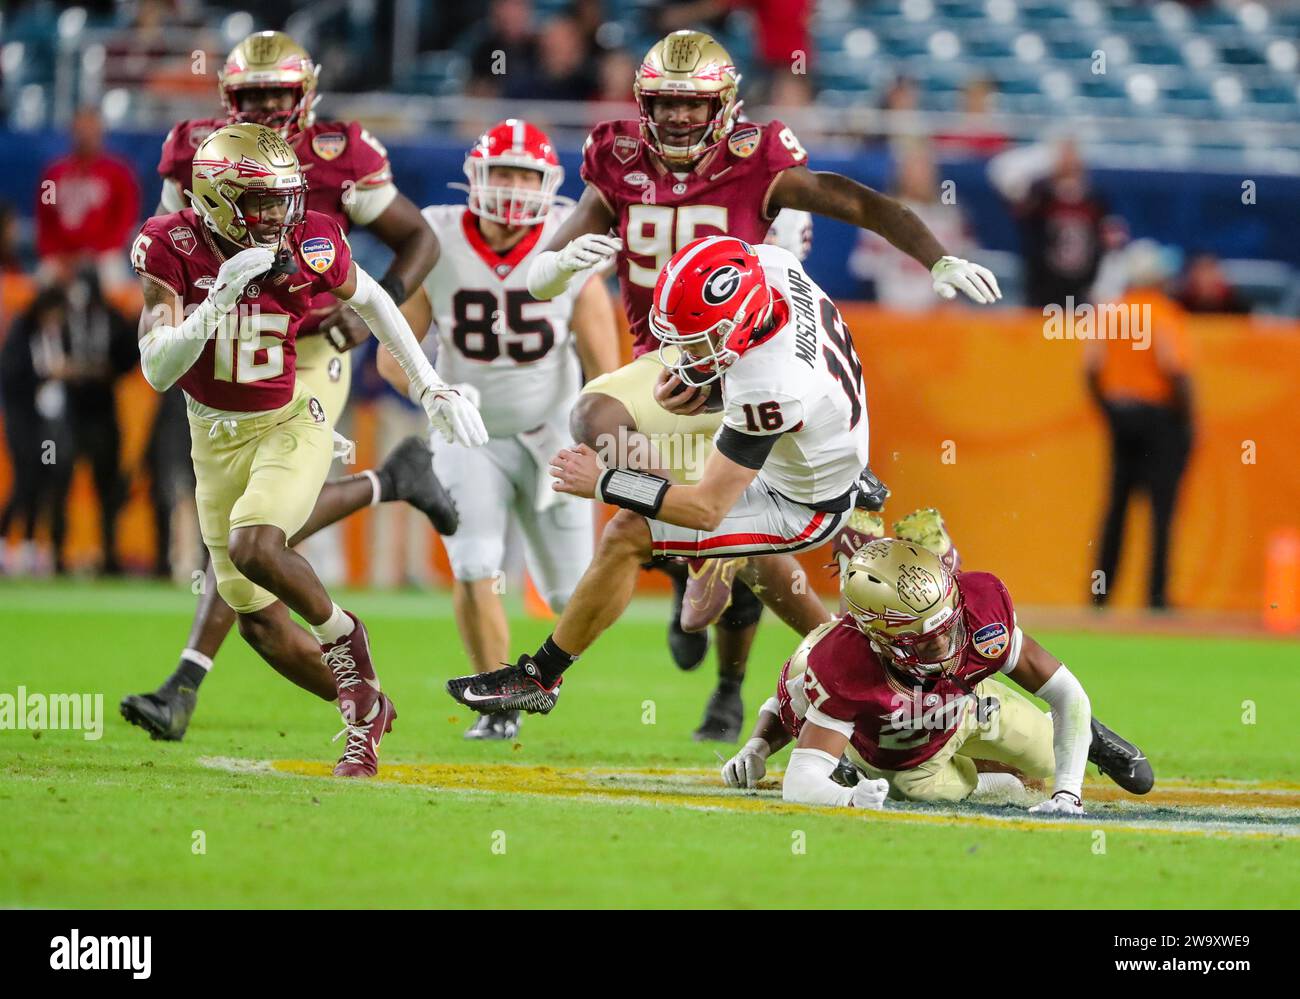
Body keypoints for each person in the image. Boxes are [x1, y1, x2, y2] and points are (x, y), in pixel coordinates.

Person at [523, 30, 1000, 740]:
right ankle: (688, 564)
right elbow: (543, 268)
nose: (679, 120)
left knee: (764, 564)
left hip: (739, 374)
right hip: (663, 365)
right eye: (665, 105)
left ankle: (819, 684)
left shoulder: (762, 164)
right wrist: (560, 267)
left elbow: (857, 202)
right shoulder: (617, 157)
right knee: (596, 417)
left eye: (695, 106)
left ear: (727, 106)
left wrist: (934, 257)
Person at [126, 123, 487, 776]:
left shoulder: (310, 239)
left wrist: (430, 386)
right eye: (261, 202)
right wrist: (217, 300)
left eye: (286, 198)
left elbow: (376, 301)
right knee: (257, 623)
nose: (279, 215)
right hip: (213, 436)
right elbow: (156, 369)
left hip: (291, 414)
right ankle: (365, 706)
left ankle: (348, 642)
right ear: (213, 200)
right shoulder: (168, 243)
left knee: (257, 544)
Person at [446, 235, 874, 718]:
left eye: (704, 341)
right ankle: (854, 660)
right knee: (730, 548)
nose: (687, 354)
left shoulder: (770, 387)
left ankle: (541, 677)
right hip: (821, 440)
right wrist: (713, 390)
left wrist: (604, 482)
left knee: (628, 532)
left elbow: (705, 508)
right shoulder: (771, 266)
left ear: (743, 323)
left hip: (803, 503)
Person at [377, 119, 619, 741]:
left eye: (525, 175)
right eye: (502, 173)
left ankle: (541, 677)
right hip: (469, 432)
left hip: (552, 433)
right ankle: (499, 703)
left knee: (573, 595)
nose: (513, 187)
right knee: (474, 563)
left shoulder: (571, 236)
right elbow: (390, 349)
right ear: (475, 179)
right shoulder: (437, 234)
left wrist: (604, 445)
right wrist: (430, 392)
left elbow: (605, 369)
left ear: (550, 185)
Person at [720, 538, 1154, 812]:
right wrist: (760, 747)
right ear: (878, 639)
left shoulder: (979, 608)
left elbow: (1065, 690)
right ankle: (867, 774)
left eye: (951, 629)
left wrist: (1068, 794)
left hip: (970, 706)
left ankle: (1087, 736)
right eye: (925, 641)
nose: (946, 646)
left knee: (1054, 759)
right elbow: (797, 751)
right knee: (922, 792)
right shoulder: (837, 662)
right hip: (906, 757)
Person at [1086, 240, 1194, 610]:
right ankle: (1157, 597)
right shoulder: (1164, 313)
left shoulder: (1113, 313)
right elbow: (1175, 370)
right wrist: (1189, 421)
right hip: (1159, 419)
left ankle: (1100, 595)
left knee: (1116, 508)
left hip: (1121, 415)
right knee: (1162, 512)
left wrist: (1108, 410)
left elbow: (1091, 369)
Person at [35, 106, 141, 291]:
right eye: (80, 129)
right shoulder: (52, 175)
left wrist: (93, 253)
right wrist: (56, 255)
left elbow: (124, 221)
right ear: (71, 131)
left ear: (101, 132)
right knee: (40, 284)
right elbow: (45, 221)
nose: (85, 135)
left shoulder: (119, 173)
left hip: (103, 255)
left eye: (91, 129)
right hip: (61, 256)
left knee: (116, 286)